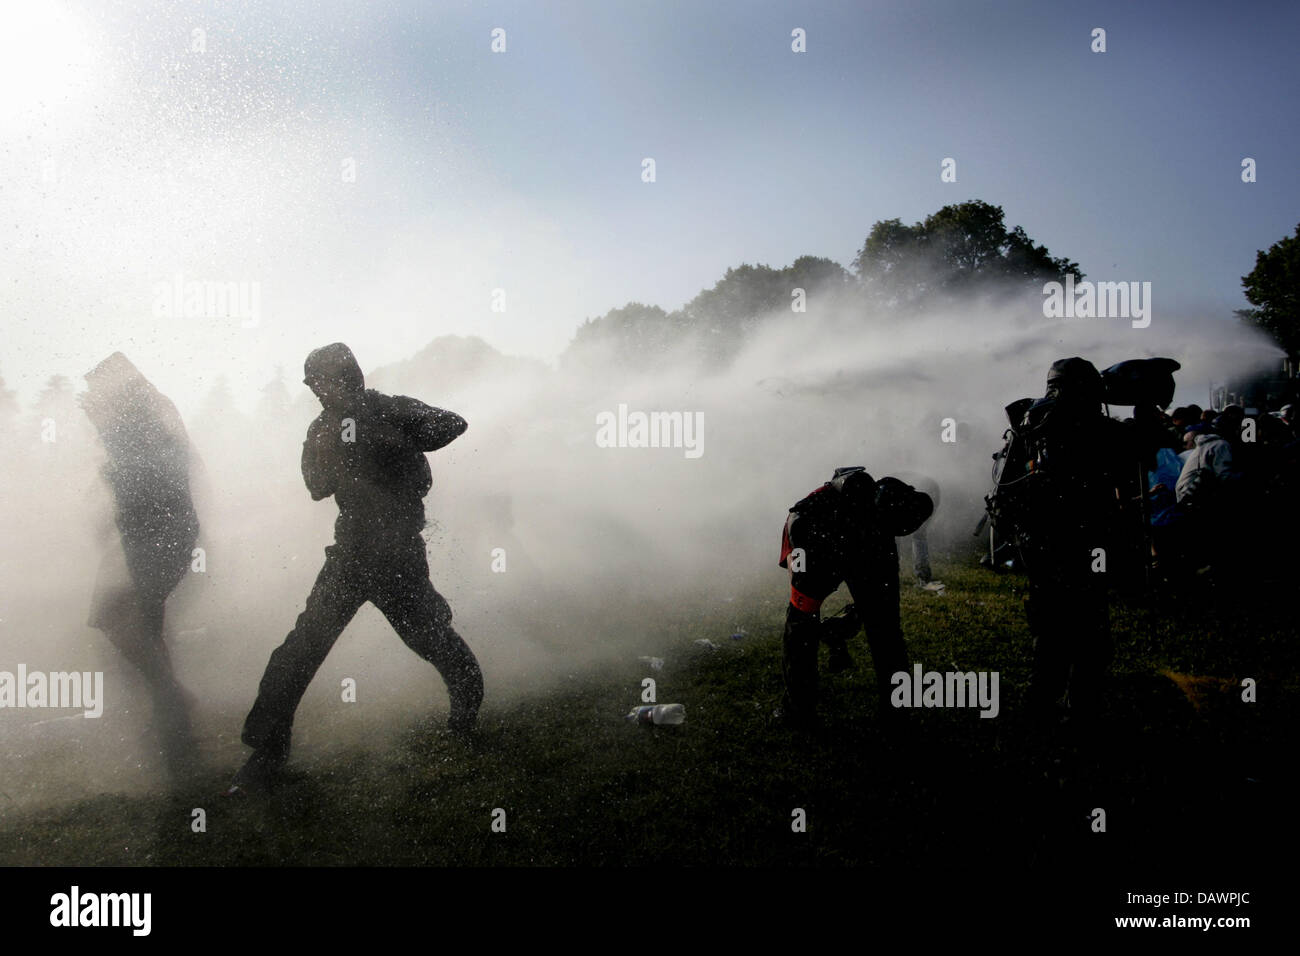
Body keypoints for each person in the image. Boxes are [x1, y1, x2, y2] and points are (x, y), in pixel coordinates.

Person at [230, 343, 483, 792]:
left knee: (430, 637)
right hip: (350, 555)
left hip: (399, 554)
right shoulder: (322, 427)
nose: (315, 391)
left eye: (319, 382)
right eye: (311, 384)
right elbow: (315, 486)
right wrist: (335, 454)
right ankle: (267, 753)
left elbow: (453, 423)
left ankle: (466, 712)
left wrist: (395, 439)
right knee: (301, 649)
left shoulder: (389, 408)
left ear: (345, 377)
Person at [81, 352, 200, 775]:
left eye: (97, 388)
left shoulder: (147, 413)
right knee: (144, 626)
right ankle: (175, 729)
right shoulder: (140, 413)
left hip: (163, 535)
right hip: (142, 536)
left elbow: (152, 473)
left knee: (114, 616)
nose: (92, 397)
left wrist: (105, 429)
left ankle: (173, 697)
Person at [1011, 358, 1129, 719]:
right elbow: (1126, 472)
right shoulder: (1102, 428)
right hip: (1089, 540)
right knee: (1091, 625)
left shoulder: (1029, 425)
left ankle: (1041, 703)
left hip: (1041, 540)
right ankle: (1082, 705)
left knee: (1050, 626)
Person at [776, 467, 933, 729]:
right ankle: (799, 709)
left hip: (866, 540)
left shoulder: (883, 514)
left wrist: (861, 614)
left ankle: (896, 712)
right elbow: (801, 592)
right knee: (802, 624)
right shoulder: (809, 521)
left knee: (885, 627)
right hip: (818, 541)